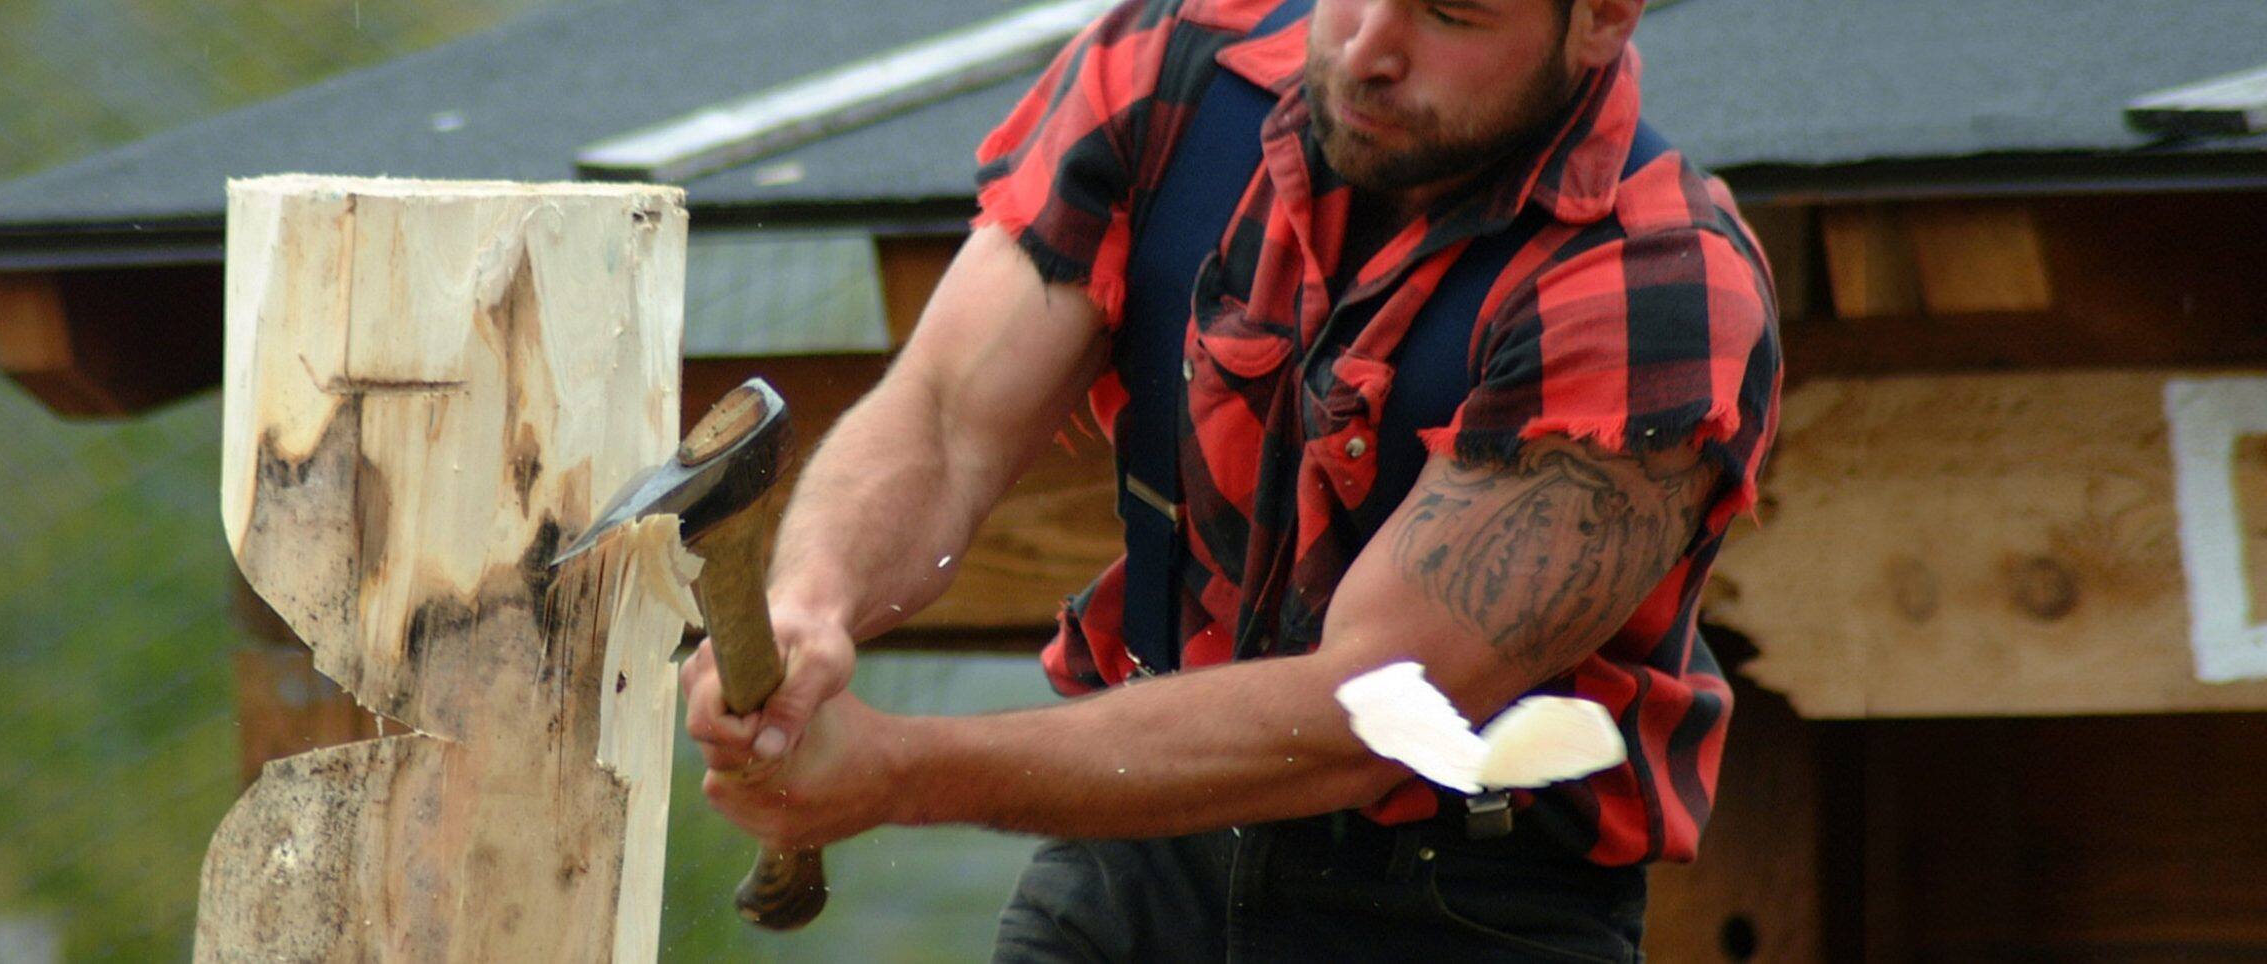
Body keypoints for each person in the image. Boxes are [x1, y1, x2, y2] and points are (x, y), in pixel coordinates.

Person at [681, 0, 1781, 958]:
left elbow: (1365, 709)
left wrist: (899, 770)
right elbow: (942, 420)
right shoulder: (1176, 66)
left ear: (1602, 17)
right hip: (1133, 853)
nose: (1366, 48)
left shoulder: (1661, 285)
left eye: (1449, 12)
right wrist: (810, 604)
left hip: (1459, 908)